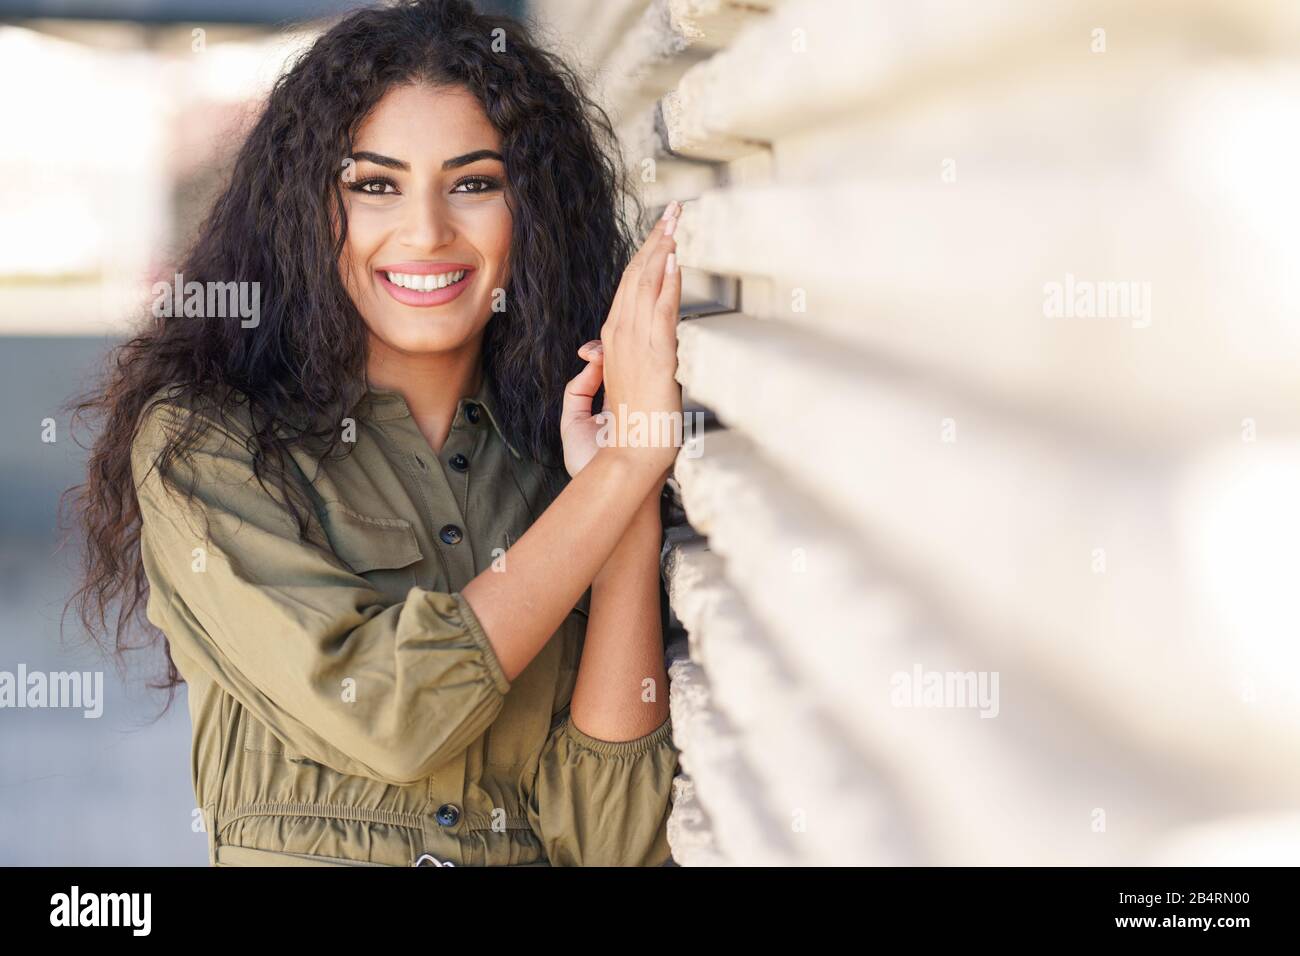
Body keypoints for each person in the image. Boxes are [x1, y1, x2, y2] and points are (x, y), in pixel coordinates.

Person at [66, 0, 685, 867]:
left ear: (532, 210)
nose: (426, 232)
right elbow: (389, 717)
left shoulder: (558, 458)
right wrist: (623, 474)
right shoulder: (207, 446)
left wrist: (617, 505)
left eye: (474, 182)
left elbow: (616, 842)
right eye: (375, 184)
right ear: (310, 209)